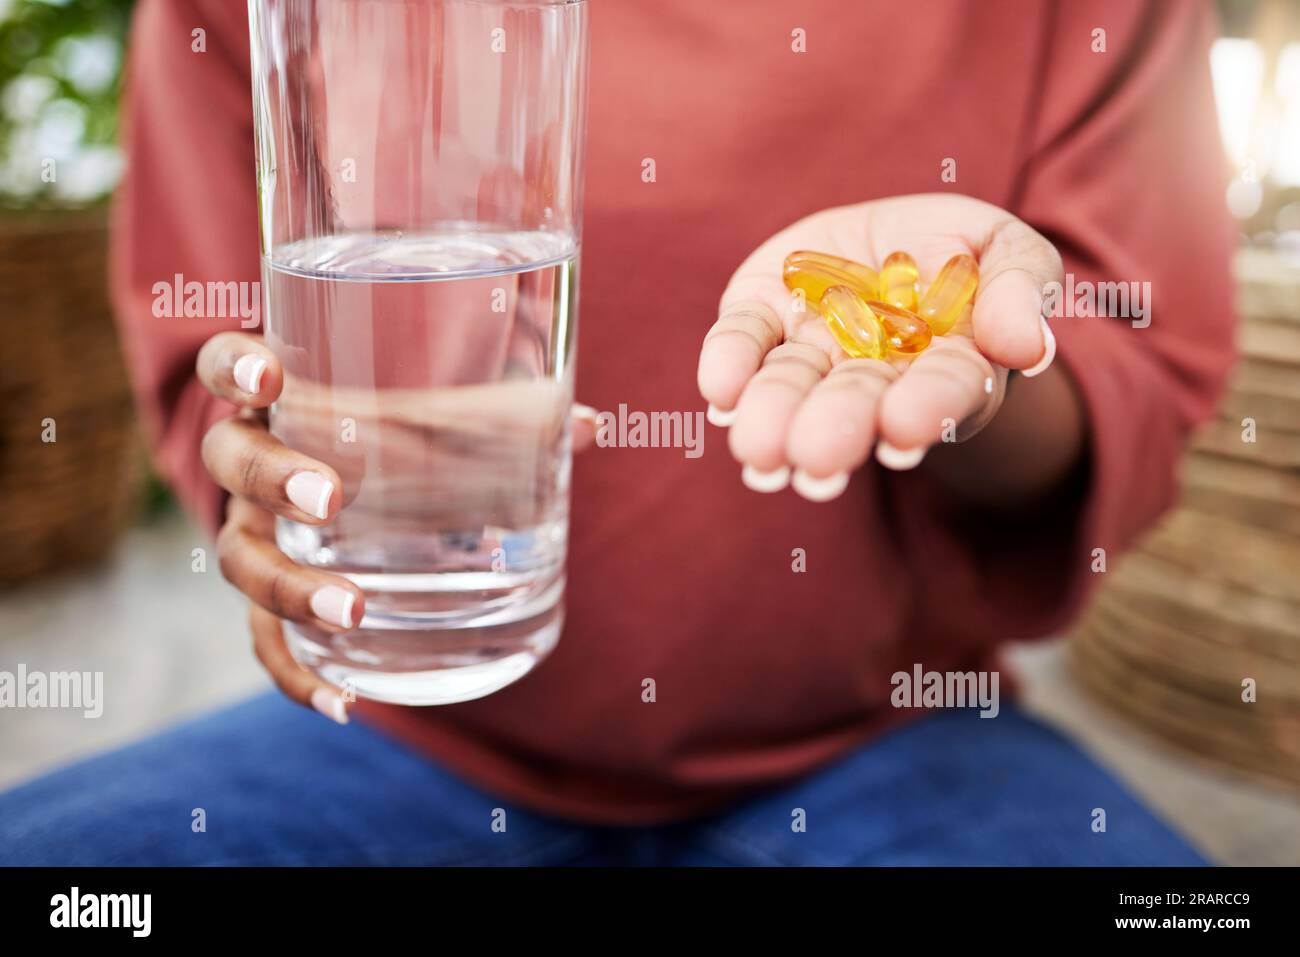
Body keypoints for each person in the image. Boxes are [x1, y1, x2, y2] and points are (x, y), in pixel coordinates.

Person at [0, 0, 1233, 865]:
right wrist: (270, 480)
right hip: (400, 729)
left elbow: (1137, 361)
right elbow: (212, 349)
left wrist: (980, 363)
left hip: (888, 738)